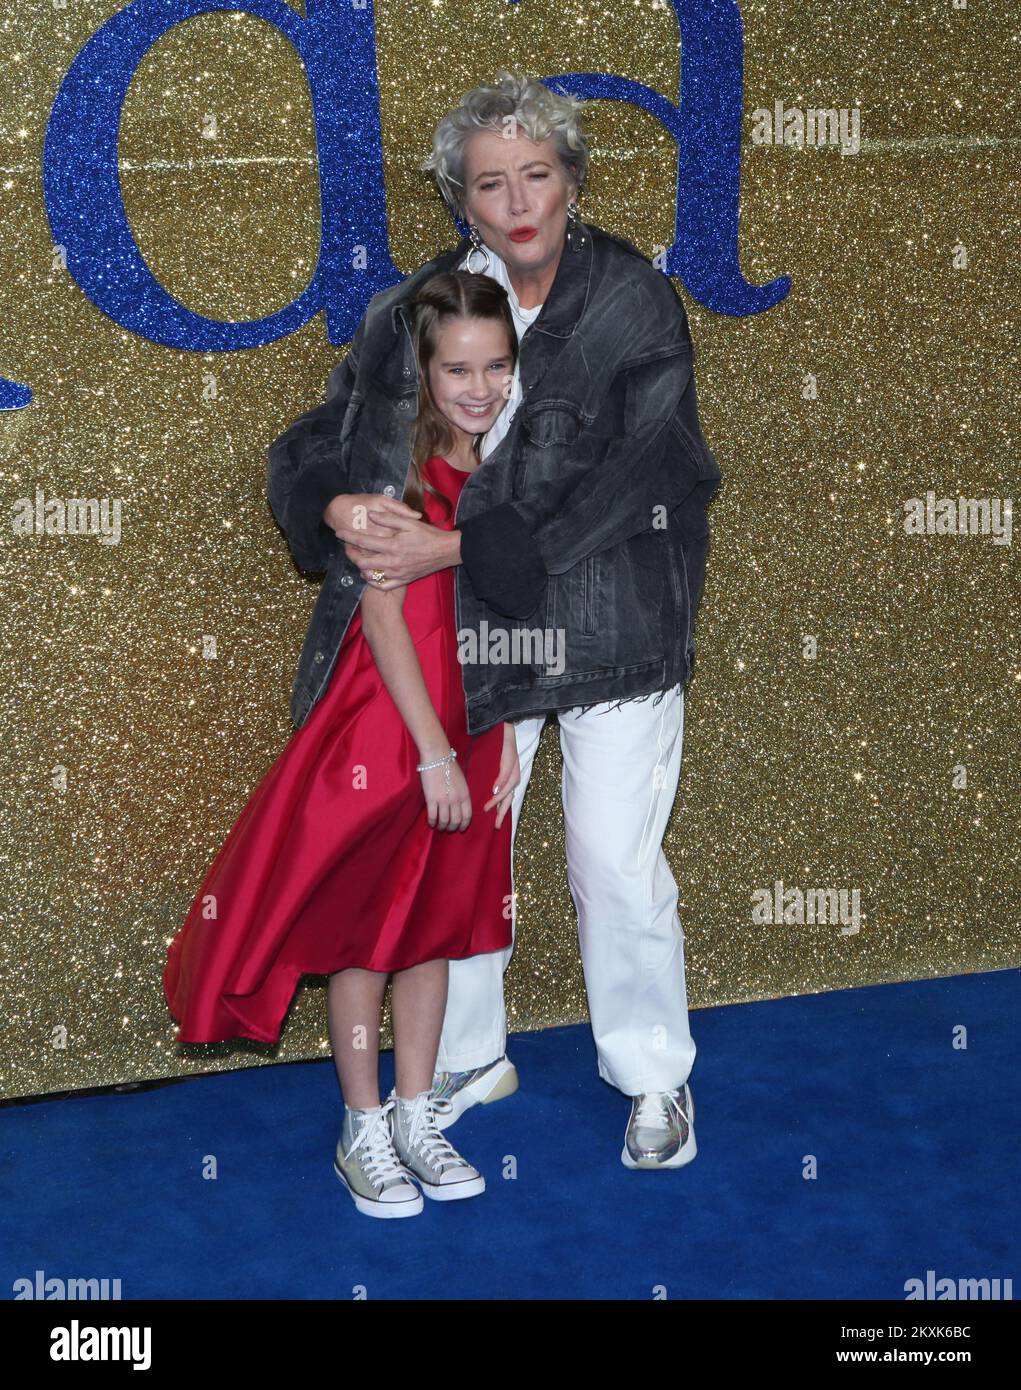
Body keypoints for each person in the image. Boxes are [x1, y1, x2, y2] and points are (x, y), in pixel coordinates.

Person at [267, 71, 722, 1170]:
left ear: (572, 182)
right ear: (458, 198)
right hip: (476, 632)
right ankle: (463, 1060)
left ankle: (652, 1075)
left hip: (615, 623)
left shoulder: (633, 301)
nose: (516, 202)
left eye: (536, 174)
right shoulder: (426, 303)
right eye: (489, 183)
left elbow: (641, 480)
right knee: (458, 850)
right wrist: (332, 502)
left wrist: (458, 547)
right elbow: (324, 432)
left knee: (612, 861)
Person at [165, 271, 522, 1217]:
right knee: (364, 933)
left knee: (434, 928)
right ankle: (361, 1124)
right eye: (457, 369)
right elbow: (384, 615)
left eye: (495, 366)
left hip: (470, 725)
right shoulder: (399, 472)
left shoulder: (506, 471)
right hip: (389, 726)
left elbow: (515, 615)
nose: (478, 388)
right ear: (423, 371)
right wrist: (431, 753)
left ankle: (414, 1114)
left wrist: (502, 736)